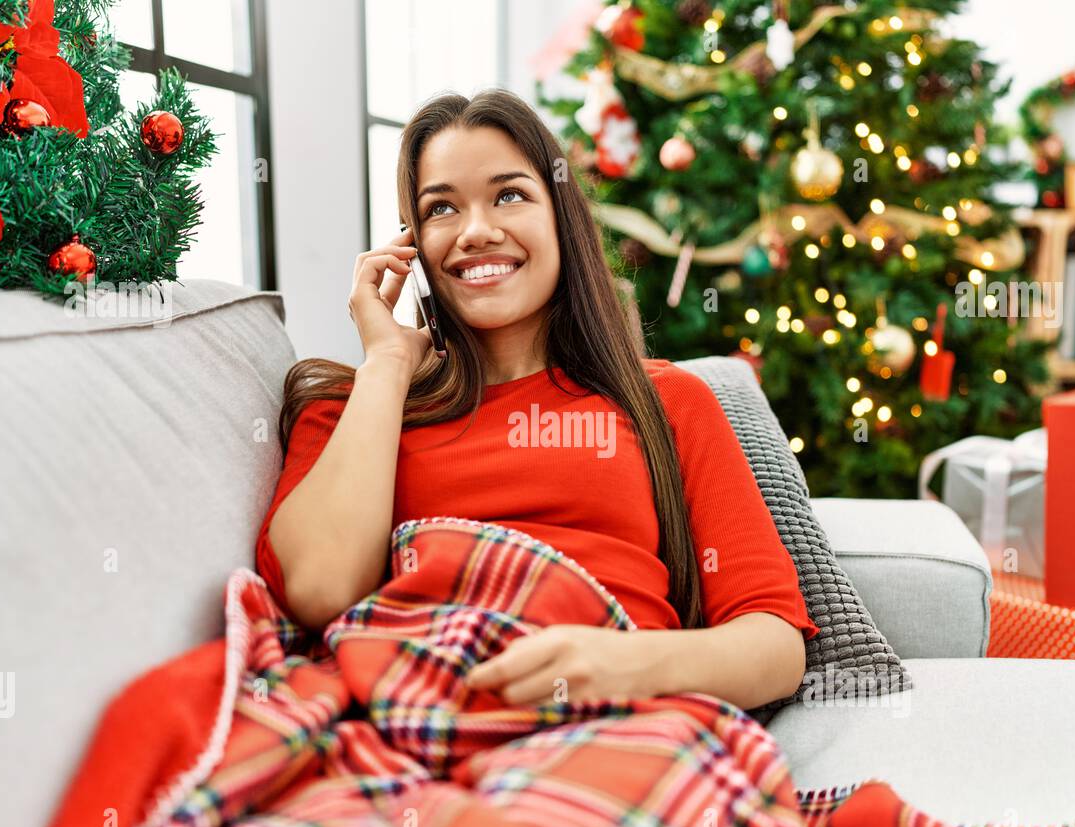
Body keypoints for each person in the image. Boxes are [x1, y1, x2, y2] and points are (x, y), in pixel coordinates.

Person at [257, 88, 818, 713]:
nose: (476, 231)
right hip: (414, 712)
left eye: (509, 195)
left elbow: (774, 646)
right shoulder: (352, 407)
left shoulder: (668, 401)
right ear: (410, 244)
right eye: (441, 208)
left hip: (613, 727)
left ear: (561, 220)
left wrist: (623, 665)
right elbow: (319, 589)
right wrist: (386, 364)